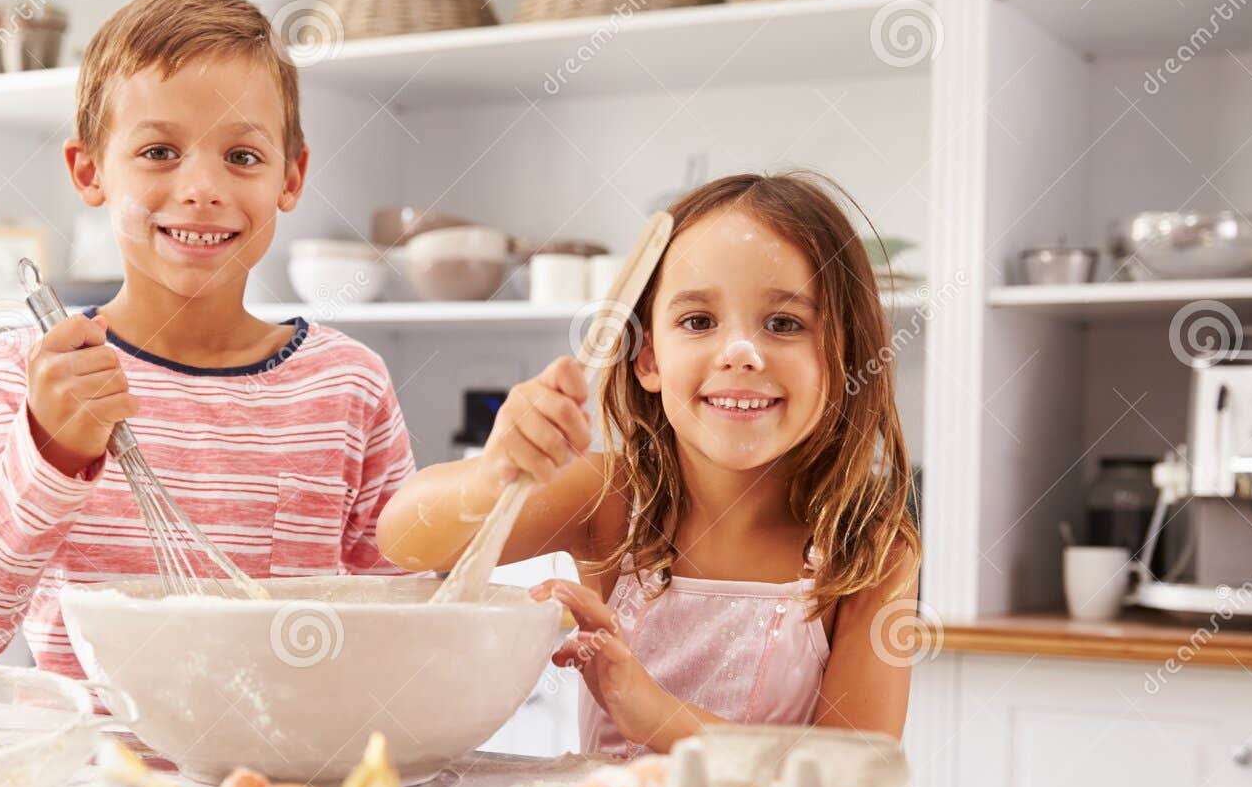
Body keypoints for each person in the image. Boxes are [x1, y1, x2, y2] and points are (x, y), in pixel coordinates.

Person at [0, 0, 414, 675]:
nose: (202, 186)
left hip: (289, 783)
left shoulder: (347, 385)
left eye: (242, 156)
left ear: (290, 177)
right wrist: (49, 454)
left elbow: (401, 634)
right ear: (89, 172)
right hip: (94, 782)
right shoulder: (29, 375)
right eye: (158, 151)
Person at [378, 173, 920, 755]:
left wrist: (658, 716)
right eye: (698, 322)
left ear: (845, 356)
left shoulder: (871, 553)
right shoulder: (613, 500)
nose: (740, 354)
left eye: (784, 324)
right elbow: (406, 538)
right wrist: (494, 474)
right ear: (648, 359)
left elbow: (857, 770)